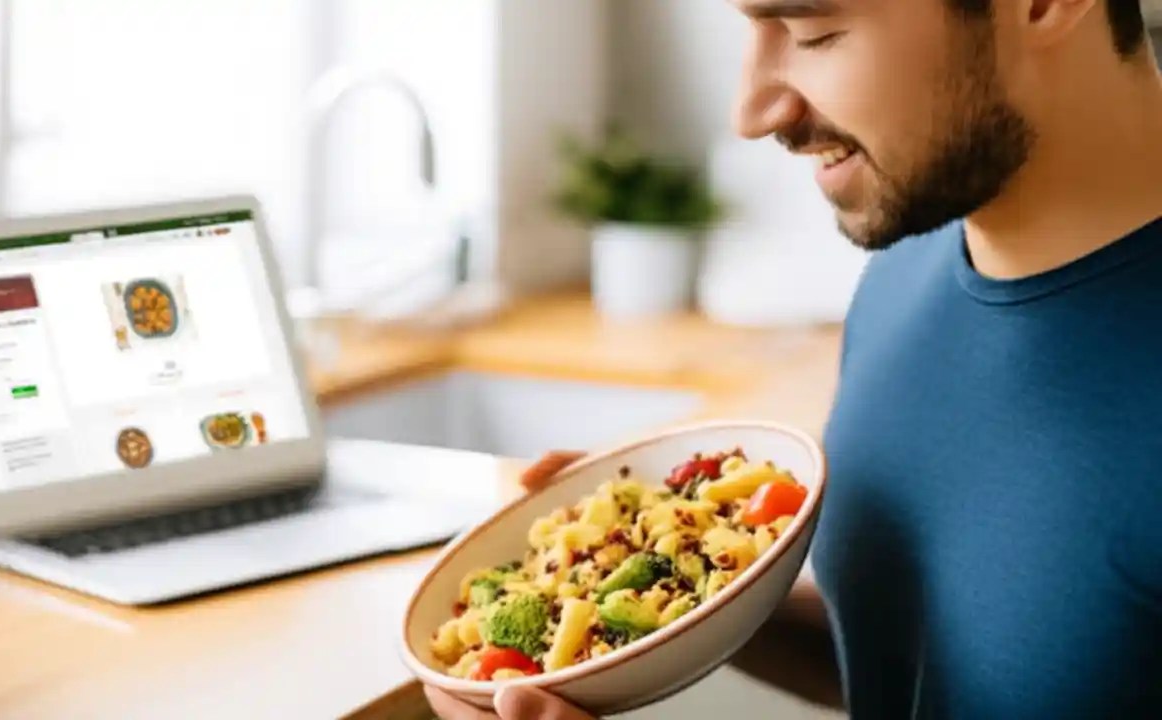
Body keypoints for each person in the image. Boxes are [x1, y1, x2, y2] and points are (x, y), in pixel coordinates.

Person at [427, 0, 1162, 716]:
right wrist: (675, 590)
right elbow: (920, 667)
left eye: (815, 32)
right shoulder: (904, 275)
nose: (753, 111)